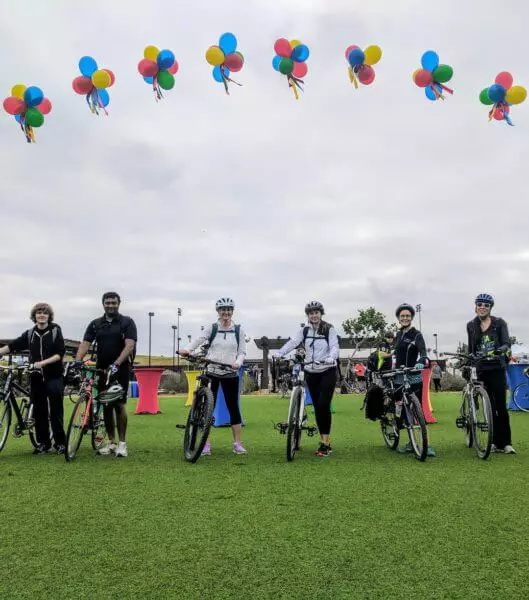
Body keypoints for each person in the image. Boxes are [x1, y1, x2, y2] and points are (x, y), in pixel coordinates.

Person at [180, 297, 247, 456]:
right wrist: (188, 349)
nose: (226, 312)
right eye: (223, 309)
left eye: (229, 309)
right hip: (212, 372)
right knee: (206, 408)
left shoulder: (238, 330)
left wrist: (238, 362)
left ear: (232, 311)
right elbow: (199, 340)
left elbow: (242, 352)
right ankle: (206, 444)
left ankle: (237, 443)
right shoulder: (212, 328)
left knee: (233, 408)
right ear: (218, 312)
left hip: (230, 372)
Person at [274, 301, 339, 457]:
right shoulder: (303, 330)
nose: (314, 315)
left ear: (321, 314)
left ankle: (325, 443)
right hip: (310, 370)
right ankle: (308, 430)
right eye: (311, 313)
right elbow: (293, 342)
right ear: (308, 315)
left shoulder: (328, 328)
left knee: (323, 405)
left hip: (327, 370)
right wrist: (280, 352)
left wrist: (331, 357)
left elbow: (335, 346)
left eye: (316, 312)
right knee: (317, 406)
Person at [75, 292, 137, 458]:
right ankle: (111, 443)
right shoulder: (96, 324)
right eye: (107, 302)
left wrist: (116, 364)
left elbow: (129, 345)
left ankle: (122, 444)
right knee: (106, 405)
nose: (110, 305)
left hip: (120, 369)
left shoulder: (127, 322)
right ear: (103, 304)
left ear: (119, 303)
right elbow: (85, 343)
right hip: (101, 369)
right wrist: (77, 361)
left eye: (113, 302)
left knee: (119, 404)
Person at [0, 303, 66, 455]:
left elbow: (59, 354)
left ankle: (60, 443)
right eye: (39, 312)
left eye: (45, 313)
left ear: (49, 316)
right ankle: (43, 443)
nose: (42, 315)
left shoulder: (55, 330)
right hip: (36, 376)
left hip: (54, 375)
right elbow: (13, 346)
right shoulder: (30, 333)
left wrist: (41, 363)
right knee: (39, 410)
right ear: (34, 316)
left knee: (56, 410)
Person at [467, 293, 515, 454]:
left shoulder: (500, 323)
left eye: (486, 305)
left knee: (500, 405)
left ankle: (506, 443)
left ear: (490, 308)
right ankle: (493, 442)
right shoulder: (471, 325)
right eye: (479, 304)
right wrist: (470, 359)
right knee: (489, 407)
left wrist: (499, 350)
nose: (482, 307)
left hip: (496, 367)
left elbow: (506, 343)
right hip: (481, 369)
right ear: (475, 306)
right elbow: (471, 347)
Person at [394, 303, 435, 457]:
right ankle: (409, 441)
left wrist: (422, 360)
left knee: (417, 410)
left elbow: (423, 352)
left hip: (413, 374)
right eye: (402, 316)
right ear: (399, 318)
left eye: (408, 316)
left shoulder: (417, 335)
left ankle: (425, 443)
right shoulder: (398, 335)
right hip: (398, 375)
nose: (405, 318)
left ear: (411, 318)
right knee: (400, 409)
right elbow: (395, 354)